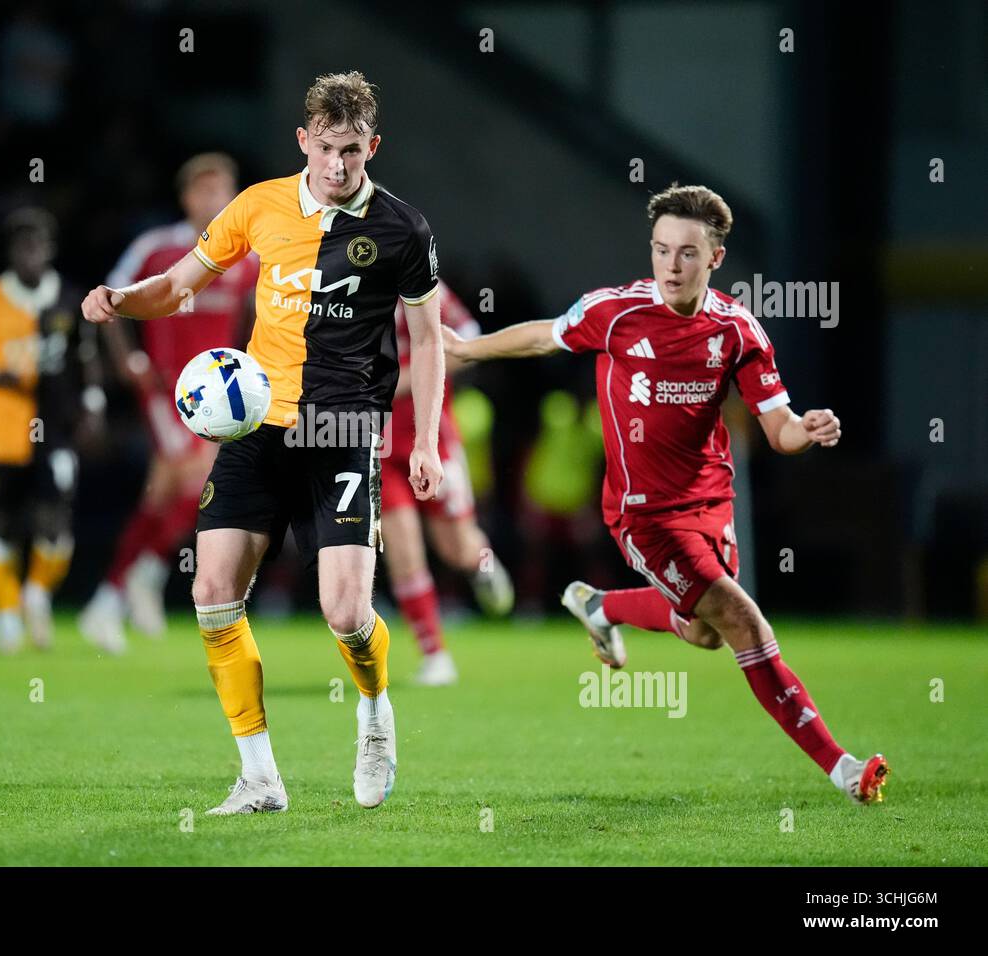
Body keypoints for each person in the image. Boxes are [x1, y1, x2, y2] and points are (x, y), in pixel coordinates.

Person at [443, 183, 889, 805]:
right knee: (740, 618)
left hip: (710, 501)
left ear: (715, 258)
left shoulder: (737, 329)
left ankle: (602, 606)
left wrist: (806, 429)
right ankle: (844, 768)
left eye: (685, 253)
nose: (670, 266)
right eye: (660, 250)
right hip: (643, 514)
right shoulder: (618, 313)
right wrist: (465, 348)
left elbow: (779, 429)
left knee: (705, 633)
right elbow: (545, 335)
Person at [83, 71, 444, 813]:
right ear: (303, 140)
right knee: (212, 592)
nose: (338, 166)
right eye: (326, 148)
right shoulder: (258, 205)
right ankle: (259, 777)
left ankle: (375, 713)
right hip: (256, 424)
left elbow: (430, 341)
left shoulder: (403, 228)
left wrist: (430, 440)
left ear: (371, 145)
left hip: (343, 428)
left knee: (345, 612)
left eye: (353, 151)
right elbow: (180, 281)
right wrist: (121, 302)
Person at [78, 153, 258, 654]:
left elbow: (257, 315)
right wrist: (126, 360)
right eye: (203, 190)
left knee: (164, 498)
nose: (213, 199)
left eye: (222, 189)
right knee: (197, 482)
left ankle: (111, 597)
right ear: (186, 198)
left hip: (222, 399)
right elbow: (109, 295)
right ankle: (140, 581)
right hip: (167, 390)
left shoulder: (246, 256)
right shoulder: (158, 248)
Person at [0, 208, 104, 652]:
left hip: (55, 428)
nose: (30, 252)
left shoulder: (69, 301)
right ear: (10, 251)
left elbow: (87, 359)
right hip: (0, 430)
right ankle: (6, 615)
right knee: (2, 522)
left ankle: (36, 593)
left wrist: (93, 404)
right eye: (21, 244)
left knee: (57, 521)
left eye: (38, 243)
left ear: (50, 248)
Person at [381, 281, 514, 687]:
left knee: (456, 548)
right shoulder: (336, 289)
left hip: (432, 438)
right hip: (376, 445)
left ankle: (482, 562)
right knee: (402, 548)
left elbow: (468, 340)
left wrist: (401, 379)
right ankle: (435, 655)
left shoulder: (419, 286)